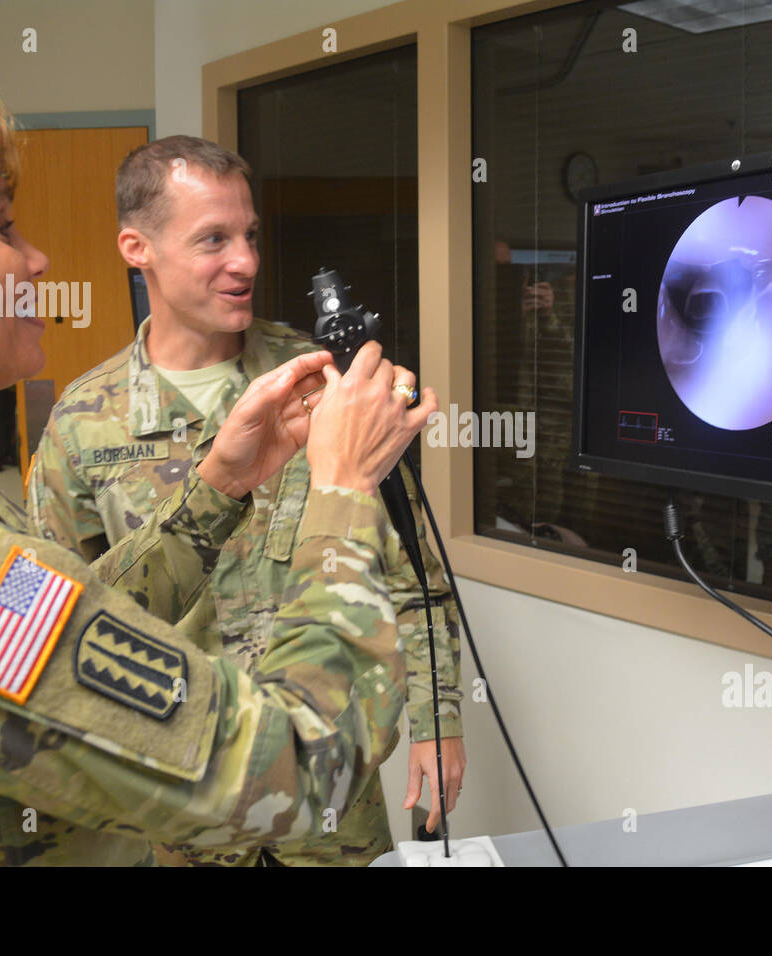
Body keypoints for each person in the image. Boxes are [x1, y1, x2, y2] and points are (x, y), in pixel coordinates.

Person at [0, 21, 435, 865]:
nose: (37, 260)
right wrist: (339, 489)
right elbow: (305, 770)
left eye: (249, 236)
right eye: (2, 228)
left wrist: (217, 486)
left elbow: (66, 615)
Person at [29, 135, 466, 866]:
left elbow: (413, 573)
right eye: (213, 240)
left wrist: (438, 718)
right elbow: (63, 621)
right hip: (177, 803)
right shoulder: (82, 425)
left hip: (329, 797)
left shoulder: (325, 387)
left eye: (251, 235)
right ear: (138, 248)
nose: (247, 262)